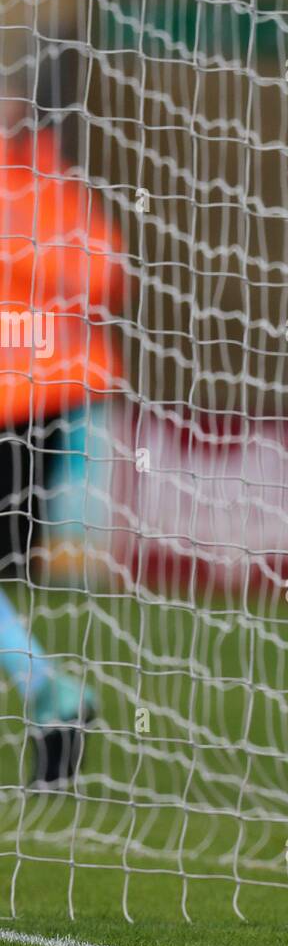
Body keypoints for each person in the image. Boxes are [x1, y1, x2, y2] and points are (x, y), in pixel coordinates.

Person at [0, 67, 126, 784]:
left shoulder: (42, 188)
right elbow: (108, 274)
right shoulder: (61, 190)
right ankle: (53, 698)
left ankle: (53, 695)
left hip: (24, 405)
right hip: (57, 401)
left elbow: (103, 275)